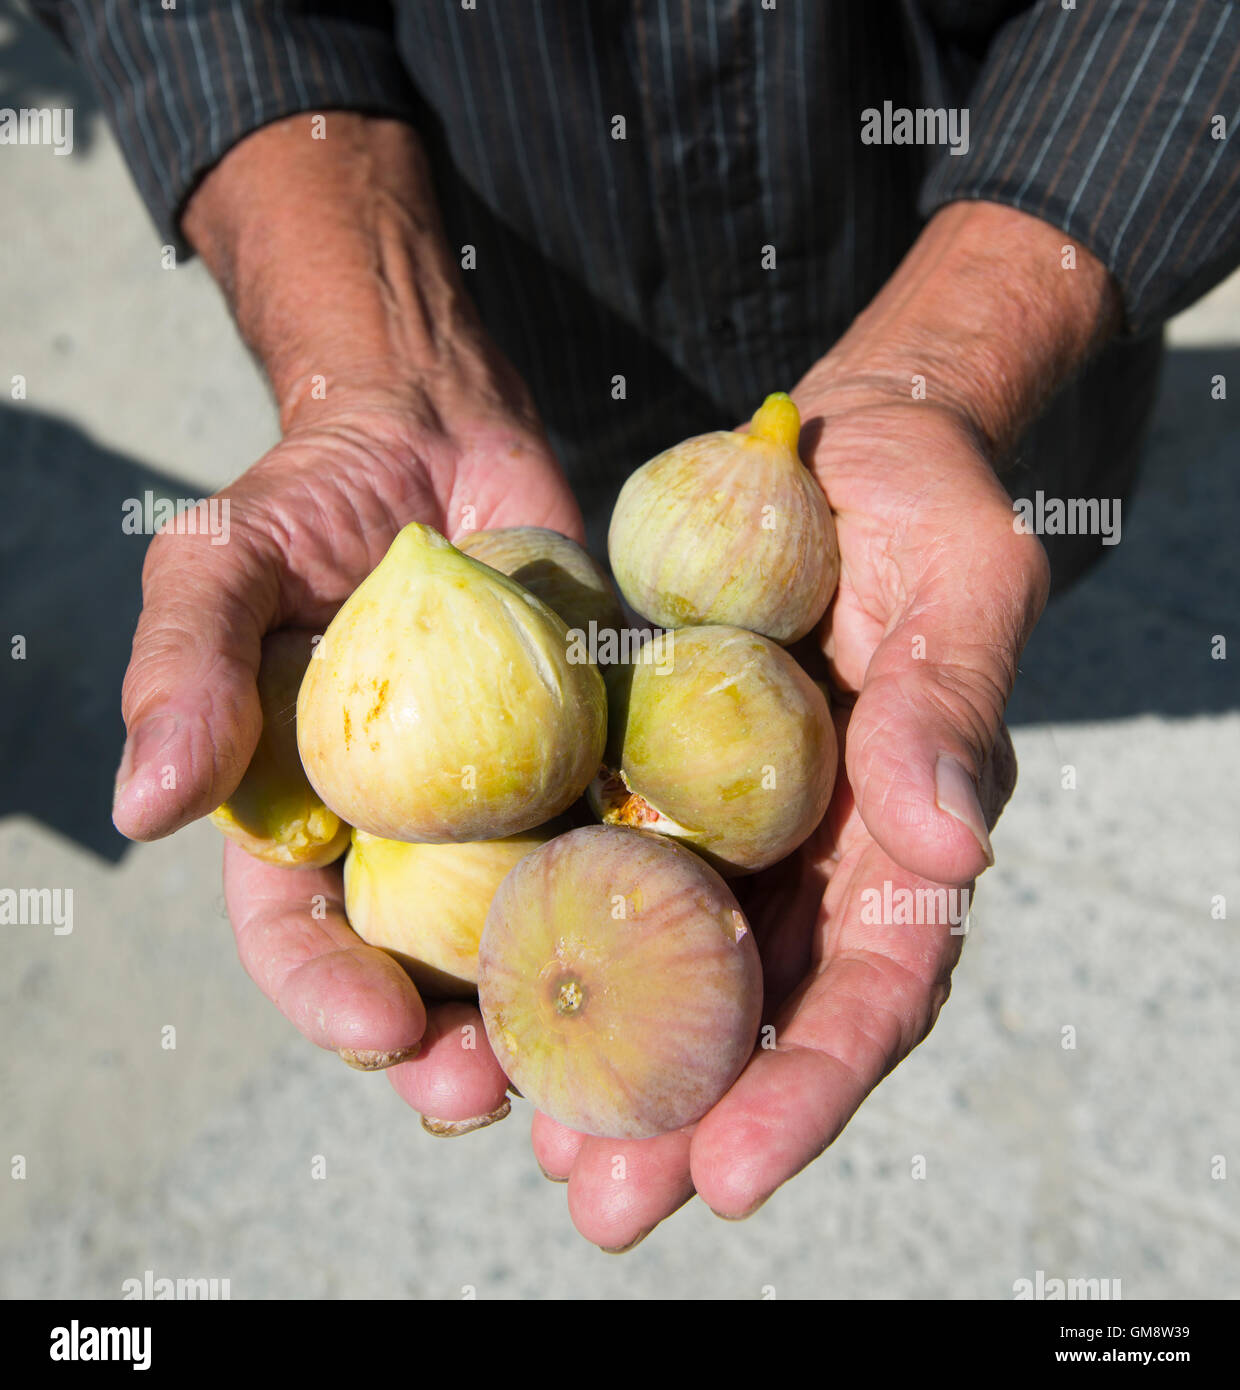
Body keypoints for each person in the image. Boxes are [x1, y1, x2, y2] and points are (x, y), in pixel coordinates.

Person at [34, 0, 1239, 1251]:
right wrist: (379, 348)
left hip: (955, 243)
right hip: (533, 300)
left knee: (945, 651)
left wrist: (941, 369)